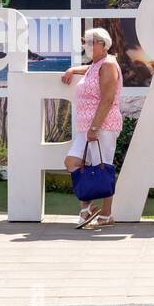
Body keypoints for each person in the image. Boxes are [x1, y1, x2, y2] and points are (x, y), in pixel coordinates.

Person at [61, 27, 123, 228]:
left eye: (89, 42)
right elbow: (89, 69)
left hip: (102, 125)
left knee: (102, 167)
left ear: (102, 44)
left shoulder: (109, 65)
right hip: (88, 127)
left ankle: (106, 215)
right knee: (73, 162)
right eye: (84, 42)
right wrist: (72, 70)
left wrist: (95, 127)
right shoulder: (97, 65)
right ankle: (87, 208)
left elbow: (107, 99)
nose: (85, 46)